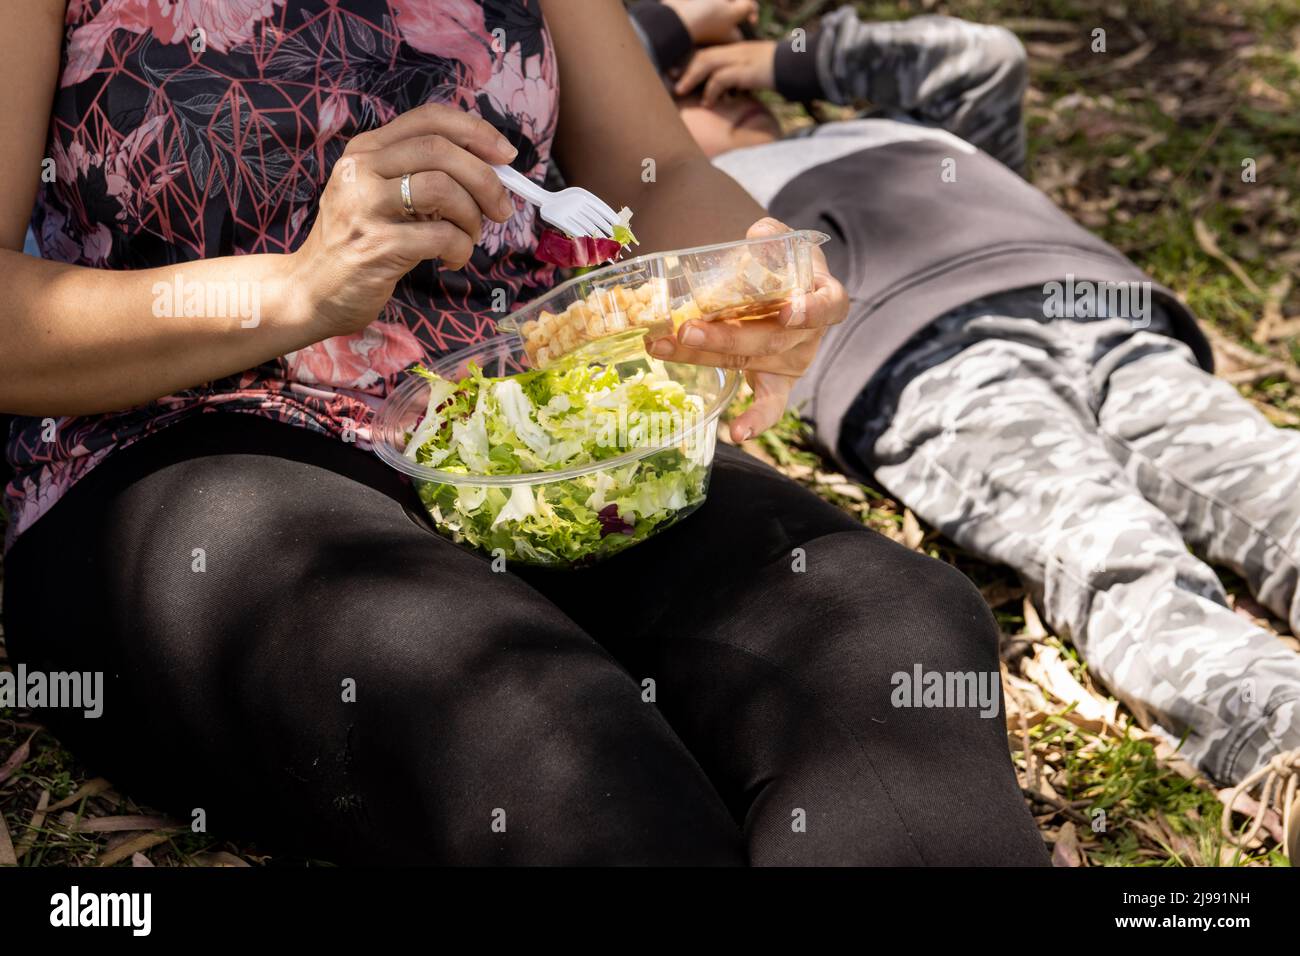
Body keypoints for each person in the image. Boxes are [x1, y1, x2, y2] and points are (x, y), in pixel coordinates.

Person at [0, 1, 1048, 865]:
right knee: (538, 733)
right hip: (180, 438)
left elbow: (658, 173)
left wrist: (743, 278)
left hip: (526, 420)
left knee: (885, 624)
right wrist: (299, 289)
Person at [633, 0, 1300, 857]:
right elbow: (571, 77)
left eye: (729, 65)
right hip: (926, 368)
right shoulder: (675, 220)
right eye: (690, 79)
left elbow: (981, 56)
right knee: (1107, 548)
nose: (724, 87)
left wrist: (786, 61)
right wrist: (669, 26)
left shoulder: (909, 132)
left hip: (1108, 317)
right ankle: (1281, 734)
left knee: (1272, 477)